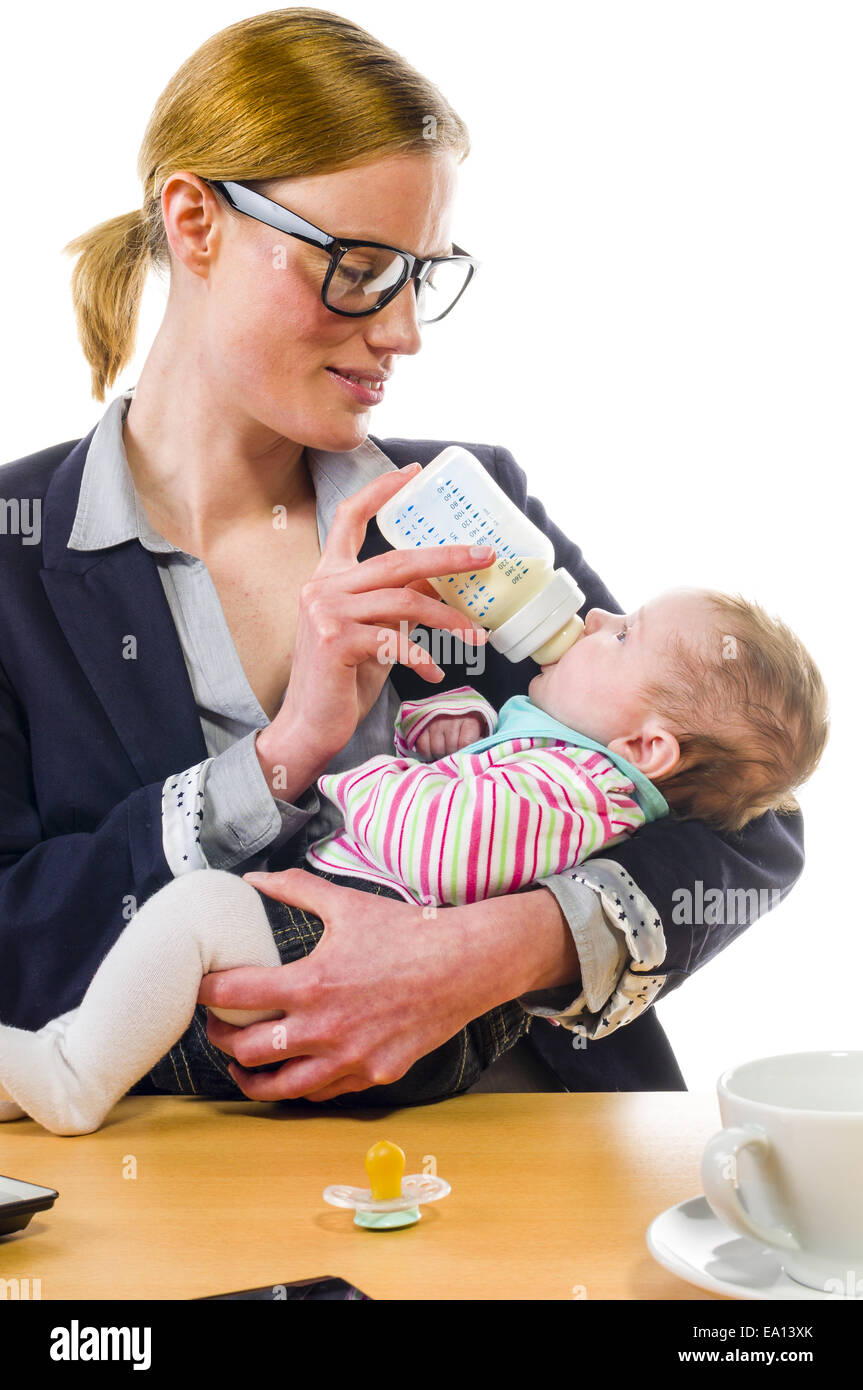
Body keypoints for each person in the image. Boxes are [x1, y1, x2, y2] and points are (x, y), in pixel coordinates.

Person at [0, 10, 807, 1108]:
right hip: (180, 1181)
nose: (401, 331)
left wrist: (493, 949)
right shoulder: (18, 554)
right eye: (358, 267)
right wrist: (280, 759)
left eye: (418, 276)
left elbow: (738, 806)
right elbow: (14, 928)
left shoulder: (459, 510)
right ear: (194, 221)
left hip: (519, 1153)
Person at [0, 587, 827, 1134]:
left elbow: (432, 846)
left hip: (416, 1032)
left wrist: (351, 771)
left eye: (622, 634)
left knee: (200, 912)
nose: (598, 619)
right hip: (301, 1024)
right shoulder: (574, 763)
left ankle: (71, 1077)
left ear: (646, 746)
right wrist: (460, 730)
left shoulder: (570, 788)